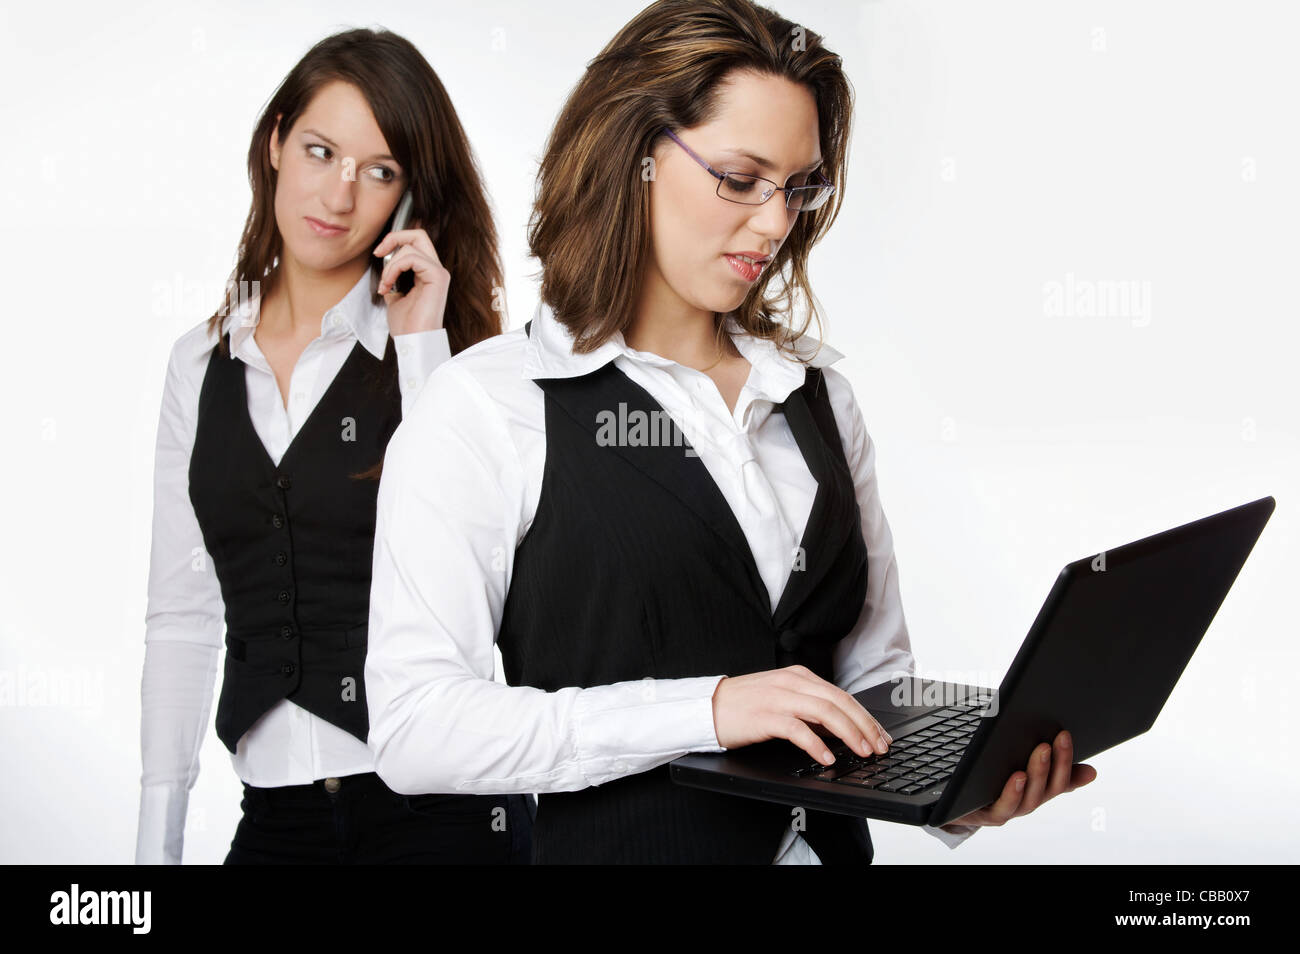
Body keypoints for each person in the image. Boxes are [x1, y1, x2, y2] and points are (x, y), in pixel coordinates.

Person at [365, 0, 1096, 864]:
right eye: (740, 180)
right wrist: (704, 710)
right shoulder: (489, 407)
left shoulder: (820, 396)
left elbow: (871, 681)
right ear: (634, 156)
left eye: (799, 187)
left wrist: (961, 789)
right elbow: (414, 729)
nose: (776, 223)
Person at [135, 28, 532, 864]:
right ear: (276, 142)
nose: (341, 196)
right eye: (321, 151)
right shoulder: (196, 367)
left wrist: (421, 346)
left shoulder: (448, 362)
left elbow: (471, 586)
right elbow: (183, 615)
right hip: (277, 820)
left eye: (380, 171)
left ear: (410, 199)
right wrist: (153, 849)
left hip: (446, 815)